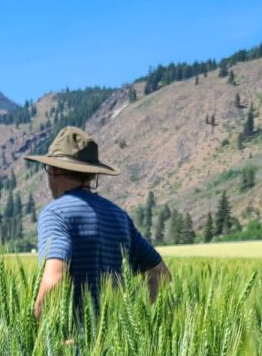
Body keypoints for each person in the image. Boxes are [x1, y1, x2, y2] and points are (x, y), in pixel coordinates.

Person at [26, 126, 170, 318]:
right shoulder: (119, 216)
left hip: (70, 344)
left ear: (53, 170)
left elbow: (54, 280)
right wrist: (143, 324)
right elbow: (161, 275)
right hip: (119, 343)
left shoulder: (55, 213)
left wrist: (40, 331)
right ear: (92, 174)